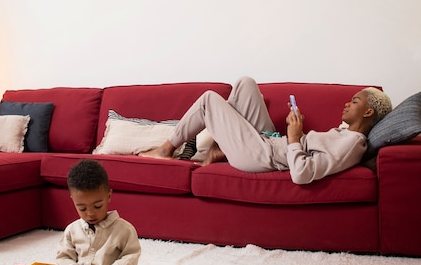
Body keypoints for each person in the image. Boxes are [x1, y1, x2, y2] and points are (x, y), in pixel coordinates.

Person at [140, 76, 392, 185]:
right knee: (245, 84)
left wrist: (294, 138)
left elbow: (302, 174)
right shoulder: (346, 134)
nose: (348, 103)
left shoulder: (351, 145)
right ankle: (225, 145)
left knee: (208, 100)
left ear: (368, 112)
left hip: (261, 155)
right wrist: (297, 133)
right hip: (270, 141)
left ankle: (166, 149)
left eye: (356, 101)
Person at [44, 159, 158, 265]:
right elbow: (63, 257)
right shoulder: (72, 230)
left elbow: (131, 255)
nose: (90, 213)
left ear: (109, 196)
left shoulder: (123, 229)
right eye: (82, 208)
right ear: (73, 201)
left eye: (97, 206)